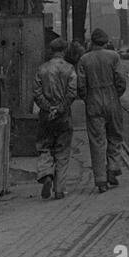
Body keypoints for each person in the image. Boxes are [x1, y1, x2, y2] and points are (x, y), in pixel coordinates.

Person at [77, 28, 126, 194]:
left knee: (97, 141)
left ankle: (101, 180)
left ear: (92, 42)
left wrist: (87, 98)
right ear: (105, 42)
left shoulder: (84, 59)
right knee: (115, 136)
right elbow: (121, 80)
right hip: (112, 99)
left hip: (93, 101)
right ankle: (113, 167)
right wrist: (115, 93)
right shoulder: (114, 56)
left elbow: (81, 85)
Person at [32, 38, 78, 201]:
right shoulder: (69, 69)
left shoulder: (42, 69)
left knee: (44, 147)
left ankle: (46, 175)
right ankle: (59, 190)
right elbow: (72, 93)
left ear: (51, 51)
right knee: (62, 152)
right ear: (64, 50)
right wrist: (59, 108)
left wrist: (48, 107)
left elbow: (36, 93)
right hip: (63, 115)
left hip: (45, 116)